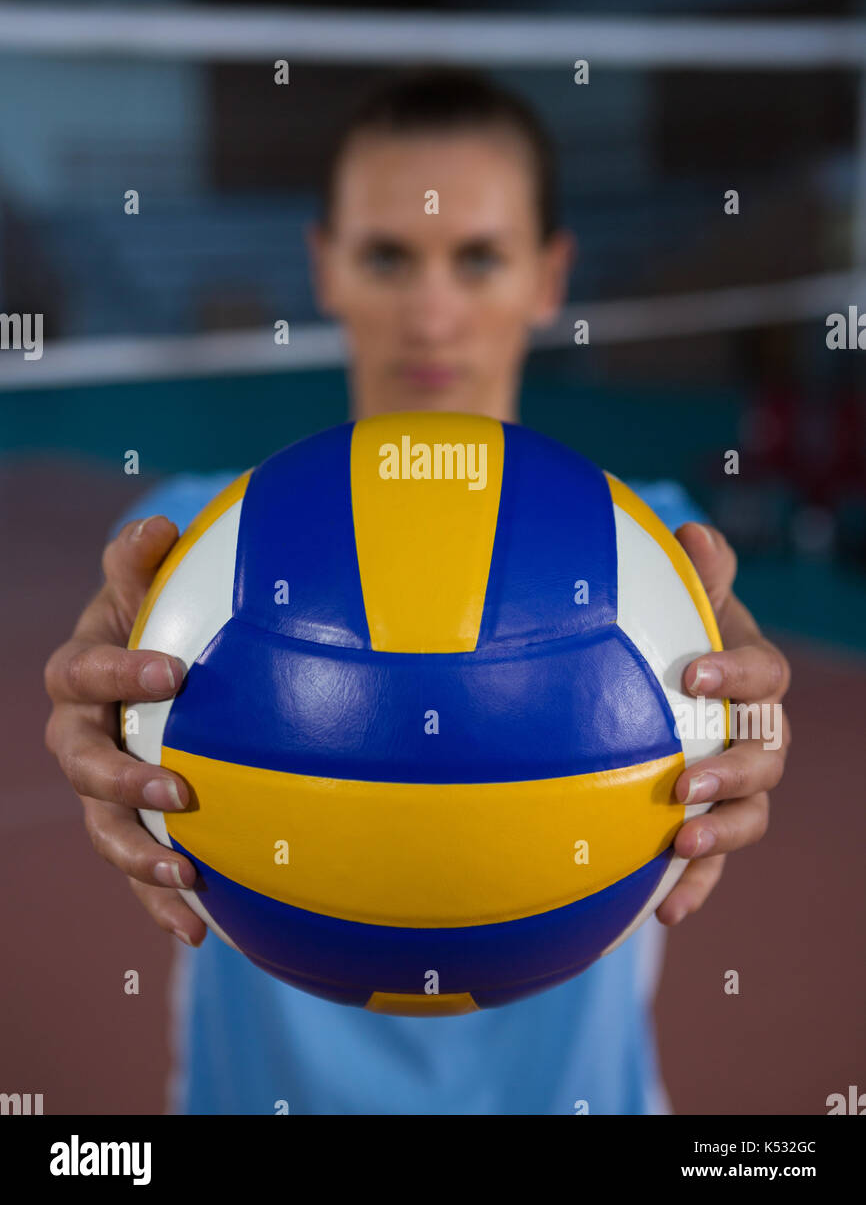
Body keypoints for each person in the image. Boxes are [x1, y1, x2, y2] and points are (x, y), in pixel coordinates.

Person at [43, 68, 791, 1115]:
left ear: (547, 276)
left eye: (476, 257)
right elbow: (109, 673)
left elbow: (738, 678)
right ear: (326, 269)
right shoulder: (195, 545)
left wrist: (745, 716)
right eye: (388, 256)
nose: (431, 311)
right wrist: (101, 722)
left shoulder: (655, 550)